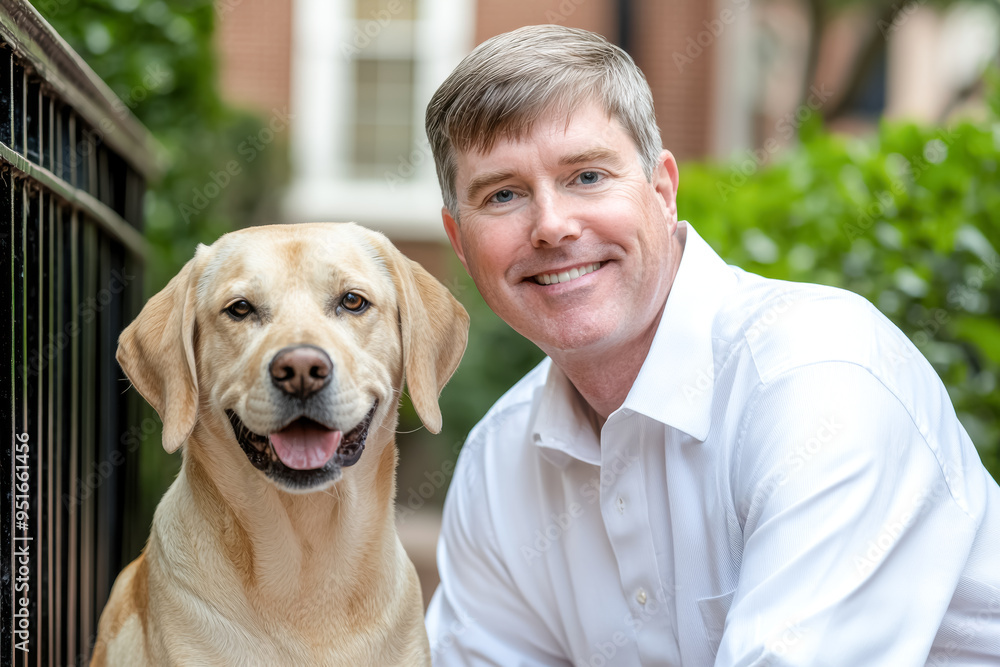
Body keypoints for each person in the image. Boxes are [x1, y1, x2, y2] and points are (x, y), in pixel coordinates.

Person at [422, 24, 1000, 666]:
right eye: (502, 195)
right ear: (459, 239)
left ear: (663, 191)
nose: (552, 226)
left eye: (587, 176)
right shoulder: (498, 462)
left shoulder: (818, 380)